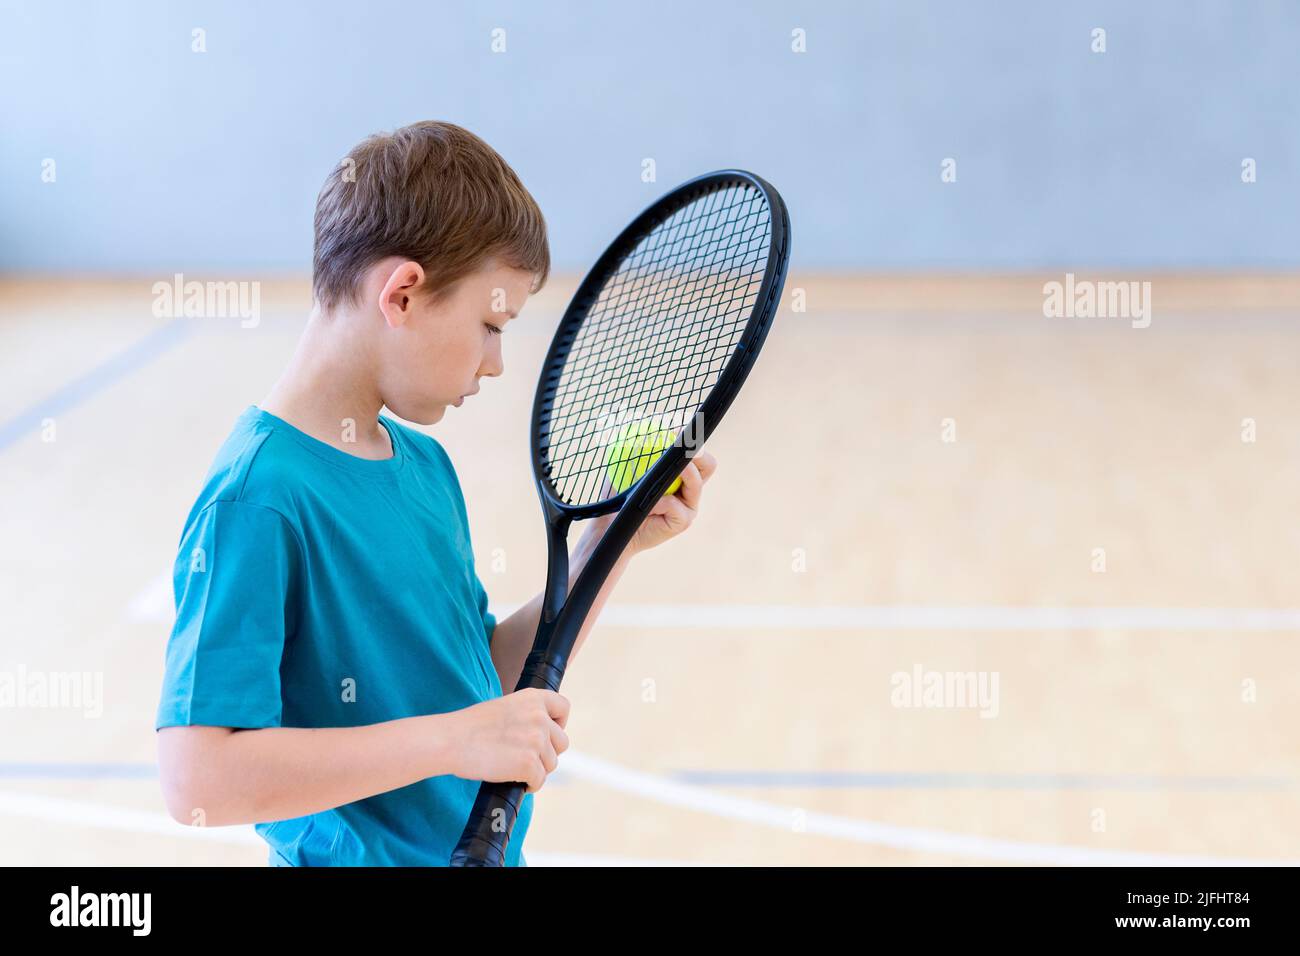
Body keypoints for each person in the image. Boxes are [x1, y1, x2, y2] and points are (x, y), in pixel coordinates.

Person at [154, 120, 716, 865]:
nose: (496, 363)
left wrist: (608, 545)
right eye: (490, 324)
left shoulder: (424, 468)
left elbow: (476, 677)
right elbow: (199, 779)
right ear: (404, 293)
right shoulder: (257, 501)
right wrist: (455, 742)